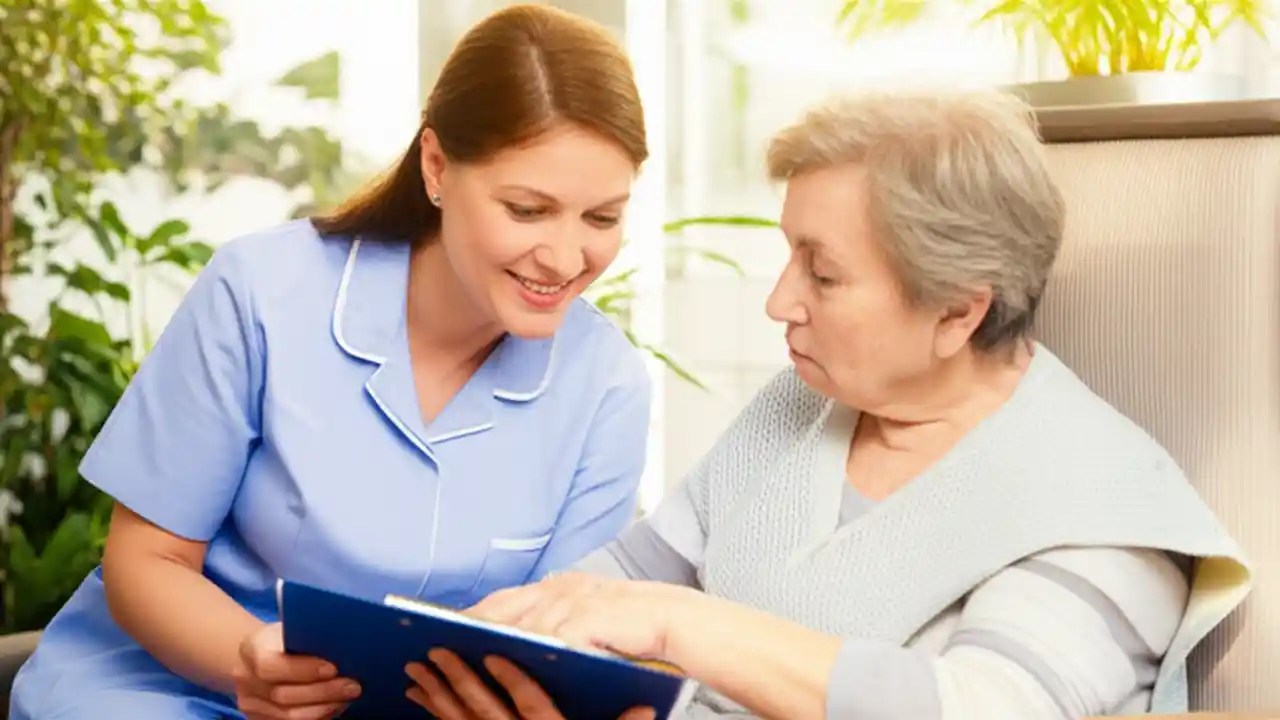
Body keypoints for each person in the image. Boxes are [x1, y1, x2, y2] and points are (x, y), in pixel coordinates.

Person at [407, 91, 1252, 720]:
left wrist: (674, 627)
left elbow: (976, 710)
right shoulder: (804, 407)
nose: (780, 302)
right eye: (788, 258)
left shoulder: (1099, 508)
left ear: (959, 311)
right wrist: (466, 654)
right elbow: (617, 585)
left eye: (824, 273)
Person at [9, 5, 655, 719]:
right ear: (436, 166)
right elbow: (146, 564)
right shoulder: (260, 293)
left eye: (602, 218)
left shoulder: (606, 385)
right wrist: (244, 662)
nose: (566, 260)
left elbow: (560, 642)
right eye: (528, 210)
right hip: (165, 691)